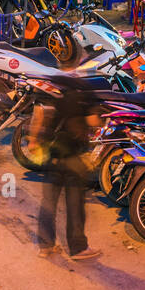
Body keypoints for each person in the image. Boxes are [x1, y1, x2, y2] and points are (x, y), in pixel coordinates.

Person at [35, 112, 100, 261]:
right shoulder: (82, 93)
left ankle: (45, 246)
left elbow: (39, 115)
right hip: (72, 158)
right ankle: (78, 248)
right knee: (75, 205)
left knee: (48, 204)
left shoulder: (54, 92)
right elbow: (92, 119)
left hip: (52, 156)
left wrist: (34, 139)